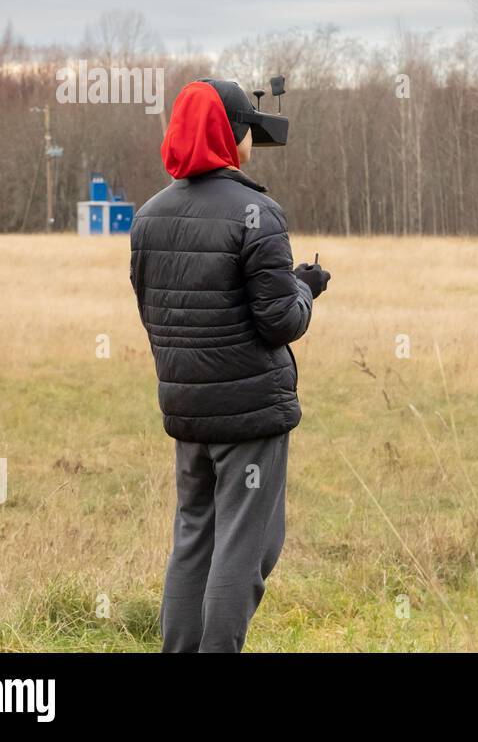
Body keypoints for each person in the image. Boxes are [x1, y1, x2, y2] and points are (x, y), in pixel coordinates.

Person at [129, 78, 330, 652]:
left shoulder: (148, 217)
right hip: (248, 415)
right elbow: (280, 322)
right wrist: (306, 289)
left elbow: (156, 311)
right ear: (231, 133)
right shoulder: (257, 212)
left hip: (188, 408)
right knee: (246, 550)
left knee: (194, 538)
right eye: (246, 130)